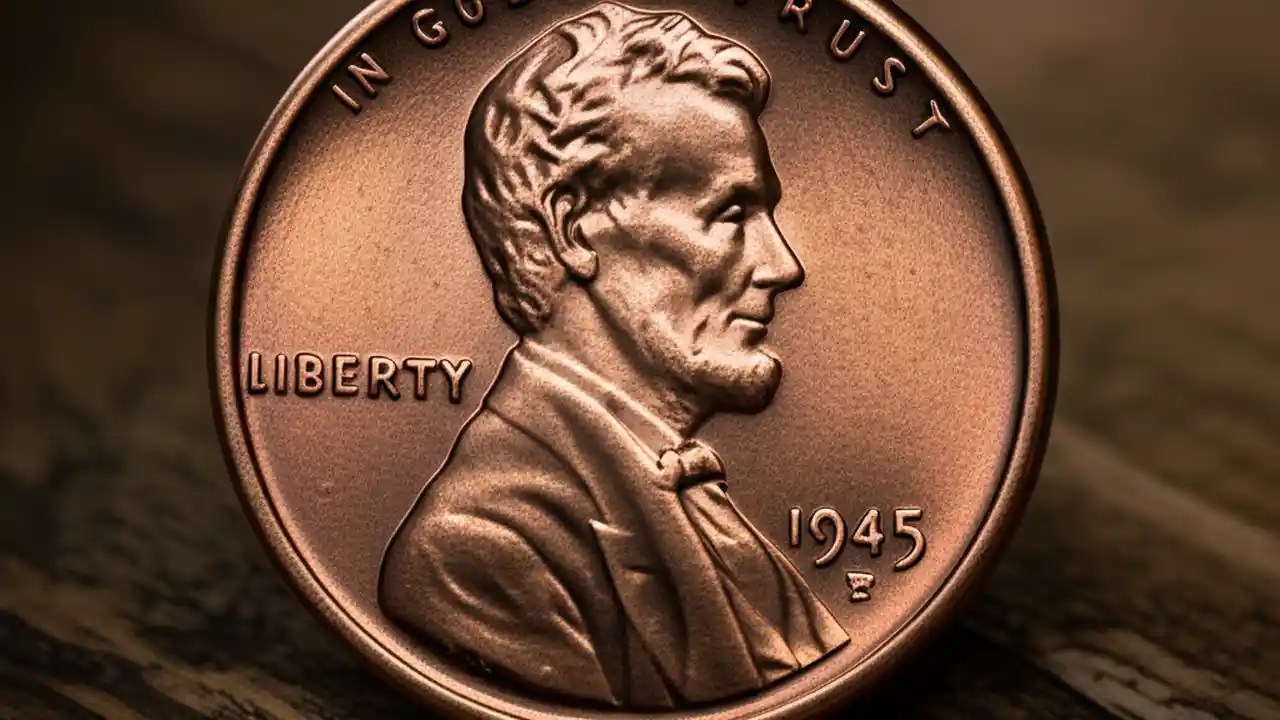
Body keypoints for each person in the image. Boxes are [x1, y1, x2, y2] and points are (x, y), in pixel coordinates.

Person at [379, 3, 847, 708]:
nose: (781, 265)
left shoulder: (691, 499)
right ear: (574, 229)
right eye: (730, 216)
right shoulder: (477, 550)